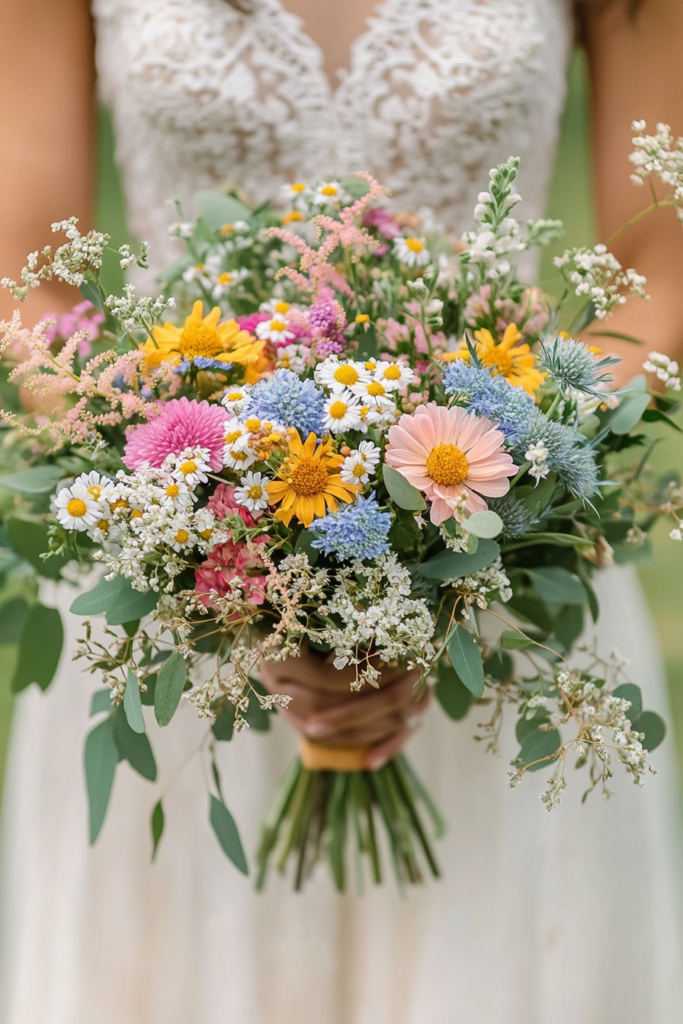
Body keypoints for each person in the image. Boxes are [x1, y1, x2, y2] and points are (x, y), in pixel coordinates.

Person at [1, 1, 683, 1021]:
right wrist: (210, 532)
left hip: (495, 587)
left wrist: (495, 489)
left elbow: (661, 259)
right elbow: (25, 274)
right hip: (182, 595)